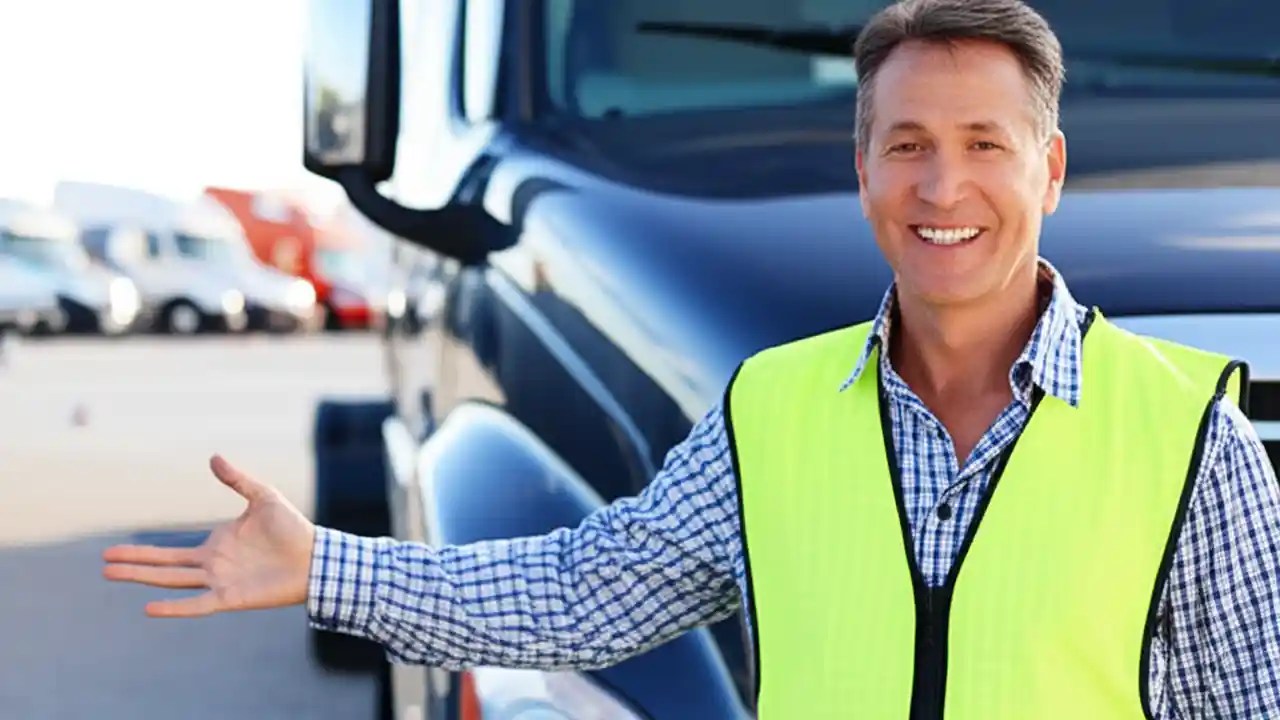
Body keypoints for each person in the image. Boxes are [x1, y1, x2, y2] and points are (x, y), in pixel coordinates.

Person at [102, 0, 1280, 716]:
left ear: (1050, 171)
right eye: (906, 144)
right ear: (861, 171)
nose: (941, 186)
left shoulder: (1188, 439)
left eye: (985, 144)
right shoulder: (773, 415)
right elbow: (582, 594)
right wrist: (321, 568)